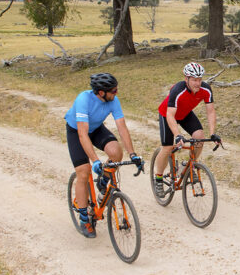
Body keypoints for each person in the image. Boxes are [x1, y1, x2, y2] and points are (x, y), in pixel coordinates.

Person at [65, 72, 142, 238]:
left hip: (96, 128)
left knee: (116, 152)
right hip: (77, 131)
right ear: (101, 92)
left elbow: (122, 127)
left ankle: (103, 181)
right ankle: (84, 218)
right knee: (84, 172)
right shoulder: (83, 99)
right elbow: (82, 134)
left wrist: (133, 154)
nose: (116, 93)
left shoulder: (113, 100)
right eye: (113, 91)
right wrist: (95, 160)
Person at [154, 62, 220, 195]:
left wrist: (213, 133)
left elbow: (211, 111)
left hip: (185, 114)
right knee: (167, 148)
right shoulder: (178, 90)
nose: (198, 83)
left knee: (199, 137)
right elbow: (170, 115)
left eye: (200, 79)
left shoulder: (206, 89)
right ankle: (158, 179)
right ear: (186, 79)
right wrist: (178, 135)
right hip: (167, 114)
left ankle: (189, 166)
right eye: (194, 80)